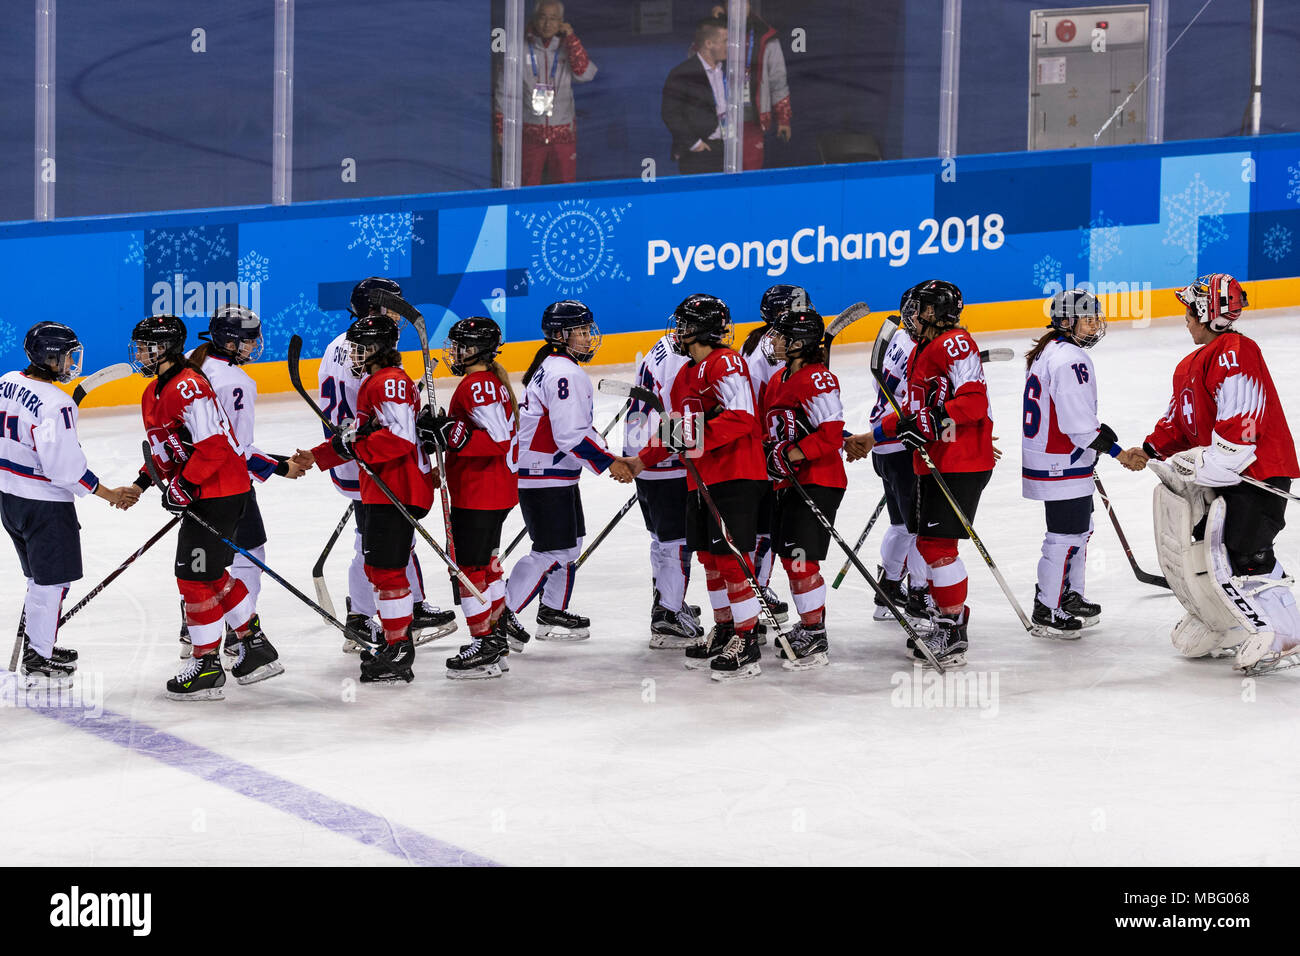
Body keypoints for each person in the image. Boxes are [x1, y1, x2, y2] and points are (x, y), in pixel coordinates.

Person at [1121, 274, 1300, 672]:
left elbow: (1242, 427)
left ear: (1207, 313)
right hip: (1222, 476)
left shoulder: (1237, 352)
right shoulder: (1190, 364)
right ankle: (1225, 624)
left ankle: (1286, 633)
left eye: (1189, 311)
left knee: (1247, 549)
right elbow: (1180, 423)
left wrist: (1210, 461)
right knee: (1207, 549)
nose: (1185, 319)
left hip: (1258, 473)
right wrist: (1148, 449)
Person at [616, 294, 770, 681]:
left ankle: (746, 638)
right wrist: (641, 460)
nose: (678, 330)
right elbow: (675, 430)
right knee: (711, 560)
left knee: (734, 560)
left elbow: (742, 418)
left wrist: (694, 433)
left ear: (699, 329)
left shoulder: (727, 362)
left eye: (684, 324)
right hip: (700, 479)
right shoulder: (686, 373)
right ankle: (723, 629)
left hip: (736, 475)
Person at [130, 314, 284, 700]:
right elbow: (167, 449)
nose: (139, 352)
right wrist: (143, 482)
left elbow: (214, 445)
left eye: (145, 345)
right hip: (207, 491)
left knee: (193, 577)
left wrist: (184, 484)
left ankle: (207, 666)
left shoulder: (189, 387)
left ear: (164, 349)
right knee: (211, 575)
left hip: (219, 493)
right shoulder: (155, 391)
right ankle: (255, 645)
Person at [850, 281, 995, 667]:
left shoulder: (954, 343)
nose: (912, 314)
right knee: (931, 545)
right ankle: (947, 622)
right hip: (937, 460)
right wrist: (872, 437)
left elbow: (973, 402)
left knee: (938, 548)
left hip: (958, 461)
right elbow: (914, 418)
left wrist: (935, 419)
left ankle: (952, 630)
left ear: (931, 312)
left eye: (919, 308)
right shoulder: (925, 349)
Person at [318, 277, 455, 654]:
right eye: (391, 307)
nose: (397, 315)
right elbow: (379, 411)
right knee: (374, 542)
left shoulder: (339, 346)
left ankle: (404, 607)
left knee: (384, 540)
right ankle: (361, 618)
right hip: (369, 458)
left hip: (355, 454)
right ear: (373, 309)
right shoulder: (366, 350)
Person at [295, 312, 433, 684]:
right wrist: (320, 455)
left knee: (387, 572)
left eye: (360, 347)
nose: (353, 353)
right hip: (383, 489)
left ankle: (398, 648)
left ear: (377, 348)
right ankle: (395, 642)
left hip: (397, 490)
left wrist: (356, 442)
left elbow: (399, 439)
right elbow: (360, 436)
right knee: (379, 569)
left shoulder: (387, 382)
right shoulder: (379, 380)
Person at [0, 322, 139, 686]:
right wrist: (109, 493)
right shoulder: (56, 403)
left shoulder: (7, 380)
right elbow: (63, 469)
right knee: (52, 582)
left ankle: (38, 644)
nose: (71, 362)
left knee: (38, 578)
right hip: (44, 506)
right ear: (48, 357)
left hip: (10, 500)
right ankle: (39, 661)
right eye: (66, 356)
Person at [178, 305, 306, 659]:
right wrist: (282, 468)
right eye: (248, 341)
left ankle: (193, 628)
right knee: (250, 552)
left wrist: (277, 460)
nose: (253, 347)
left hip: (190, 480)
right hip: (227, 483)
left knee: (200, 559)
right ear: (231, 342)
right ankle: (239, 632)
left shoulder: (192, 361)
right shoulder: (236, 382)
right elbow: (238, 450)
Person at [509, 300, 629, 645]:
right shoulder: (565, 373)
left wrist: (603, 449)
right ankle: (499, 616)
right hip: (543, 473)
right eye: (580, 331)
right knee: (550, 550)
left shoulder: (555, 365)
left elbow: (574, 429)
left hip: (552, 473)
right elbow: (569, 436)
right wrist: (610, 463)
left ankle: (551, 612)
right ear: (561, 335)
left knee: (569, 545)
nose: (588, 337)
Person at [1020, 290, 1132, 637]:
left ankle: (1070, 596)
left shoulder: (1050, 350)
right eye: (1087, 319)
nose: (1095, 325)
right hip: (1061, 461)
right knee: (1065, 537)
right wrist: (1116, 451)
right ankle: (1047, 608)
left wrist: (1096, 438)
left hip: (1056, 458)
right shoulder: (1070, 358)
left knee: (1078, 532)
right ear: (1066, 322)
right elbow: (1077, 425)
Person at [415, 317, 521, 679]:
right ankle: (495, 638)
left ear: (476, 349)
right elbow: (470, 435)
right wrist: (443, 433)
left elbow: (495, 440)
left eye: (460, 345)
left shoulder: (478, 385)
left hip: (480, 492)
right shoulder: (486, 382)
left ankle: (486, 644)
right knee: (487, 568)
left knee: (469, 572)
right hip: (492, 490)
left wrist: (452, 434)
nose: (454, 352)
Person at [760, 308, 845, 669]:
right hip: (788, 482)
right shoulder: (780, 378)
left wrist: (792, 454)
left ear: (798, 343)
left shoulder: (818, 379)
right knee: (790, 557)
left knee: (801, 559)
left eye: (781, 335)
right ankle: (810, 625)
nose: (773, 340)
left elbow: (831, 432)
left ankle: (815, 633)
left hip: (817, 481)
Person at [849, 286, 929, 627]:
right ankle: (919, 595)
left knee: (902, 526)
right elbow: (914, 410)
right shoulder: (918, 351)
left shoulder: (894, 336)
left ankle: (888, 592)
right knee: (925, 529)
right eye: (923, 313)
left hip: (885, 447)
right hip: (902, 446)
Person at [623, 328, 703, 648]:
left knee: (662, 539)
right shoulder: (679, 358)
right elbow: (679, 420)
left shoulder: (662, 346)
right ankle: (667, 616)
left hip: (643, 454)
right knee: (677, 542)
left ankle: (667, 602)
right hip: (663, 458)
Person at [739, 284, 808, 627]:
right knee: (764, 529)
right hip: (762, 450)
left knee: (758, 528)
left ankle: (752, 589)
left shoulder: (757, 341)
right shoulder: (771, 354)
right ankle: (755, 590)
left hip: (756, 446)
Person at [493, 0, 597, 186]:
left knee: (565, 188)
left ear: (561, 22)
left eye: (553, 19)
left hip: (563, 134)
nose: (547, 24)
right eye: (543, 18)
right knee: (526, 187)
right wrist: (501, 126)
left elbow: (584, 74)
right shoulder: (518, 47)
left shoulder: (568, 47)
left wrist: (572, 39)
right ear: (534, 19)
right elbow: (504, 91)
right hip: (530, 133)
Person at [708, 1, 793, 170]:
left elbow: (778, 80)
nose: (740, 8)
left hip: (751, 120)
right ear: (724, 7)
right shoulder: (713, 32)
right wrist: (713, 26)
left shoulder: (765, 36)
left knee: (750, 171)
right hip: (717, 120)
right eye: (733, 3)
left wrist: (783, 118)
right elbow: (697, 63)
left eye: (744, 3)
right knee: (717, 174)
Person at [662, 19, 729, 176]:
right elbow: (670, 114)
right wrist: (694, 144)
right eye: (725, 41)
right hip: (700, 151)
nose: (729, 46)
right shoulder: (682, 73)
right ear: (708, 44)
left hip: (728, 149)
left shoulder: (729, 70)